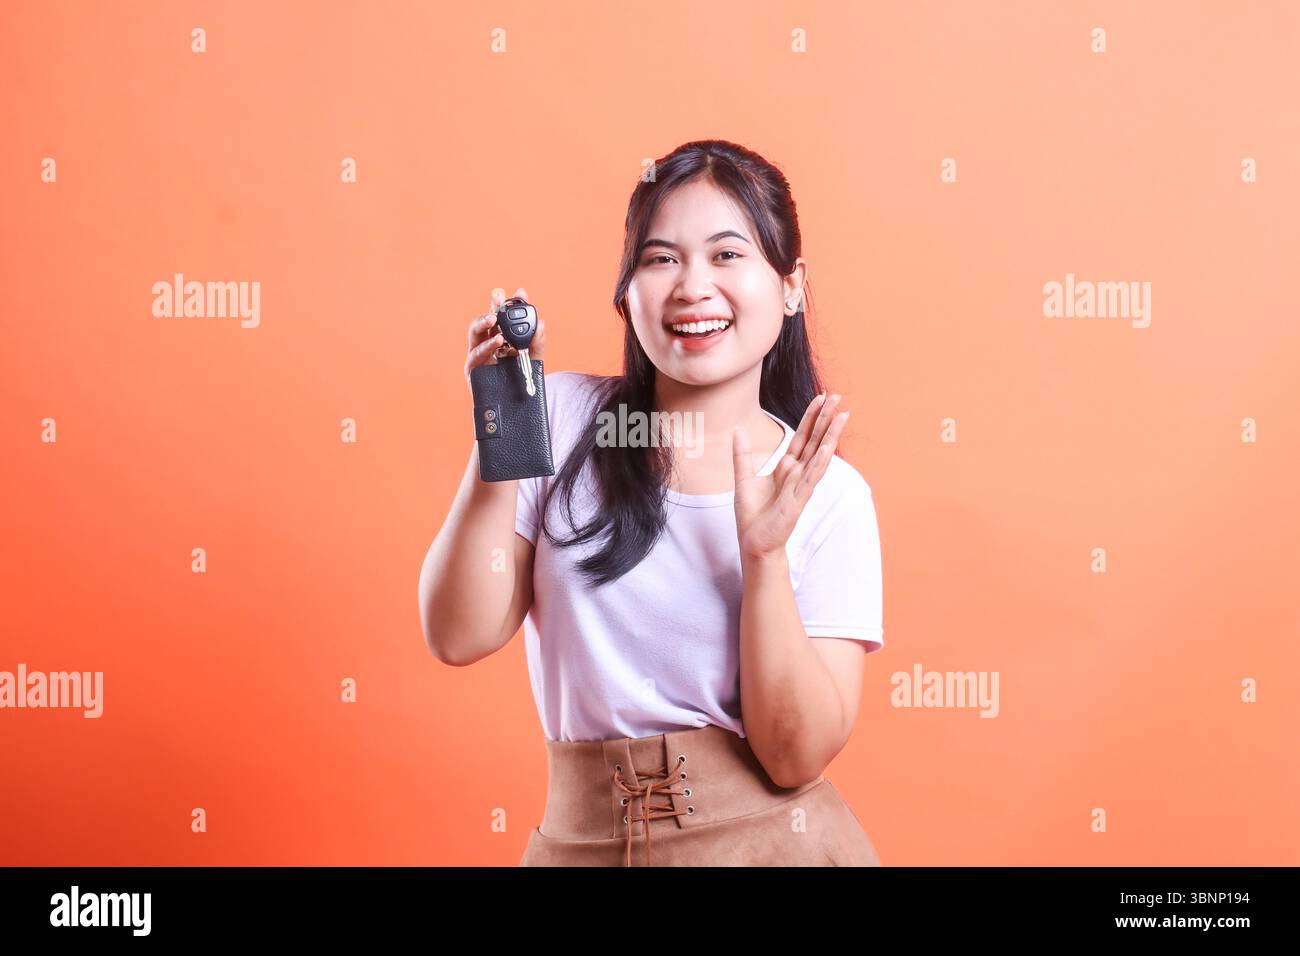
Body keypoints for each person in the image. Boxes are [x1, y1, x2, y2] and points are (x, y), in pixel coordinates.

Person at [420, 139, 884, 866]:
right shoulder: (563, 418)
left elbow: (795, 758)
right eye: (661, 258)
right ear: (626, 292)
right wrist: (504, 426)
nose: (692, 287)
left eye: (727, 255)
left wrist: (762, 555)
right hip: (579, 845)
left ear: (790, 285)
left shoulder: (828, 494)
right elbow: (458, 634)